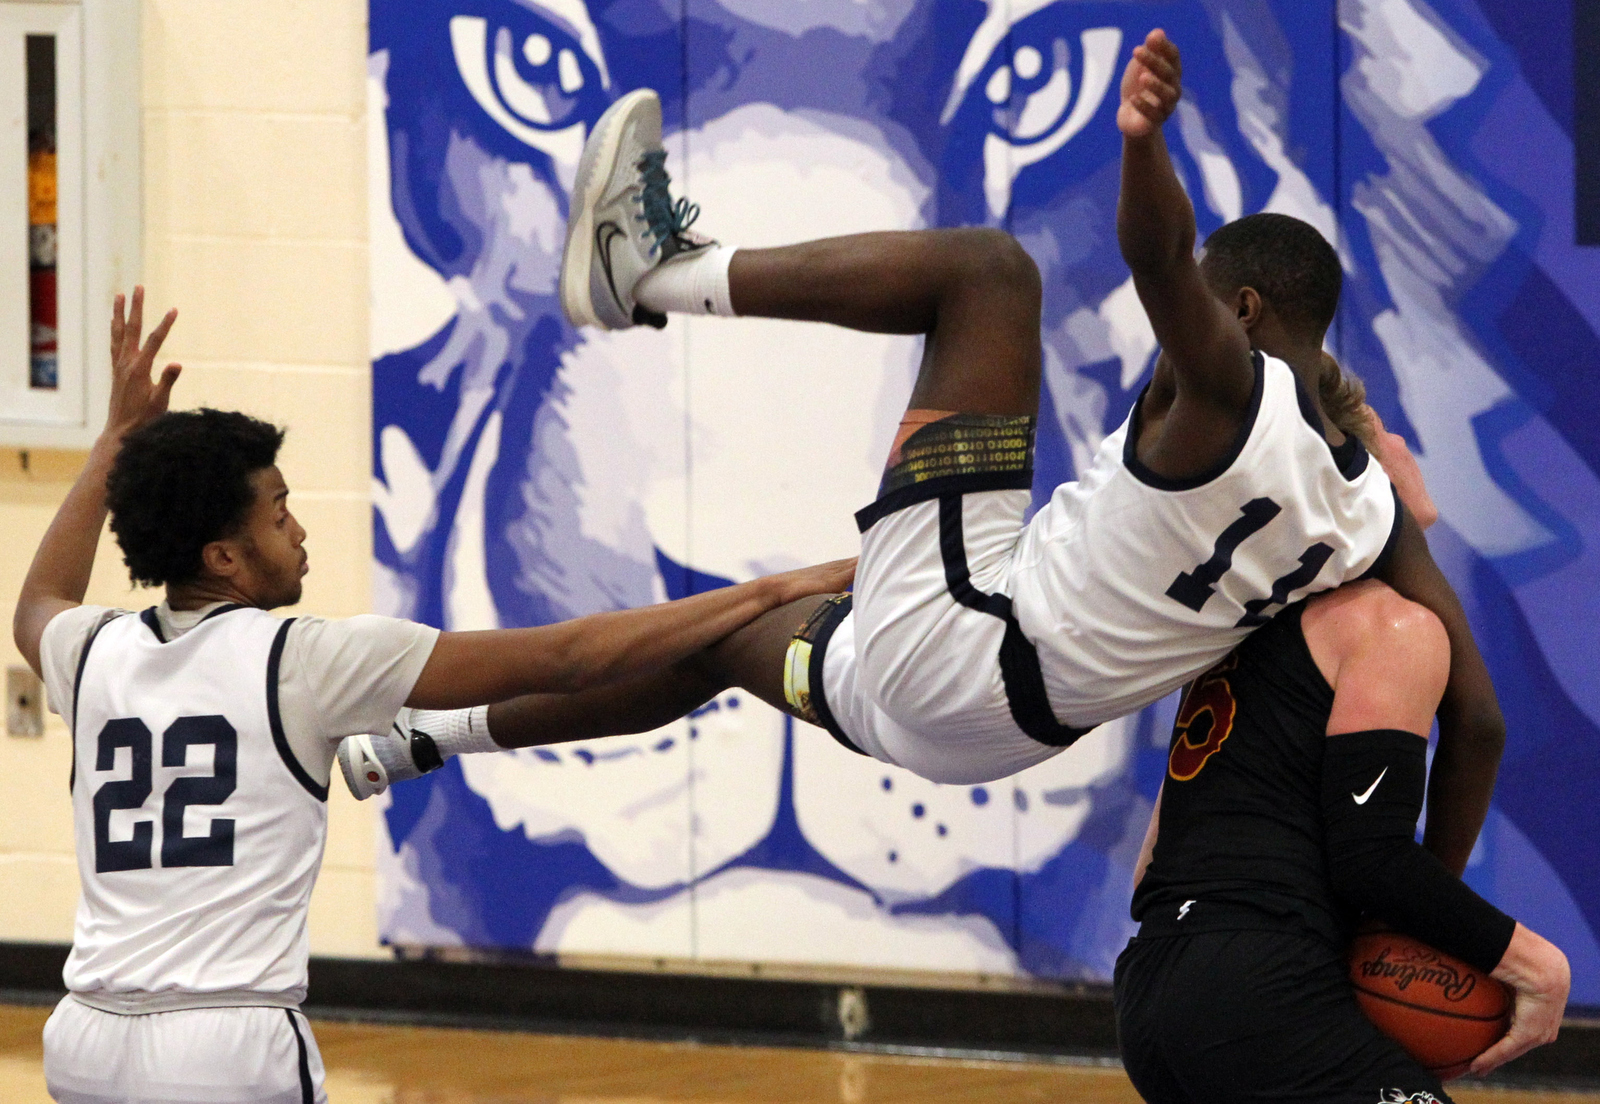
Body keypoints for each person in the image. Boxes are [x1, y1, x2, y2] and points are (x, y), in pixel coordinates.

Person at [343, 28, 1499, 860]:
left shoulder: (1229, 392)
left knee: (989, 274)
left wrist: (1144, 144)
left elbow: (1157, 257)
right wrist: (1415, 918)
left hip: (961, 642)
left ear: (1239, 312)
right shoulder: (1367, 516)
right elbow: (1478, 725)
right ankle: (423, 739)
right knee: (712, 643)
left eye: (1205, 305)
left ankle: (650, 275)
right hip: (984, 738)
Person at [10, 290, 852, 1104]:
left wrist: (115, 438)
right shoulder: (305, 658)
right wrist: (770, 590)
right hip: (223, 1042)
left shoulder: (92, 649)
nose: (298, 529)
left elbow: (36, 602)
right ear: (224, 557)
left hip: (86, 1034)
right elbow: (569, 659)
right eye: (278, 514)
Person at [1115, 580, 1569, 1102]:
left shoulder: (1232, 633)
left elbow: (1146, 872)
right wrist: (1538, 967)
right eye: (1420, 489)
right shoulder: (1389, 623)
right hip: (1261, 986)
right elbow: (1372, 860)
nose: (1432, 505)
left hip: (1147, 992)